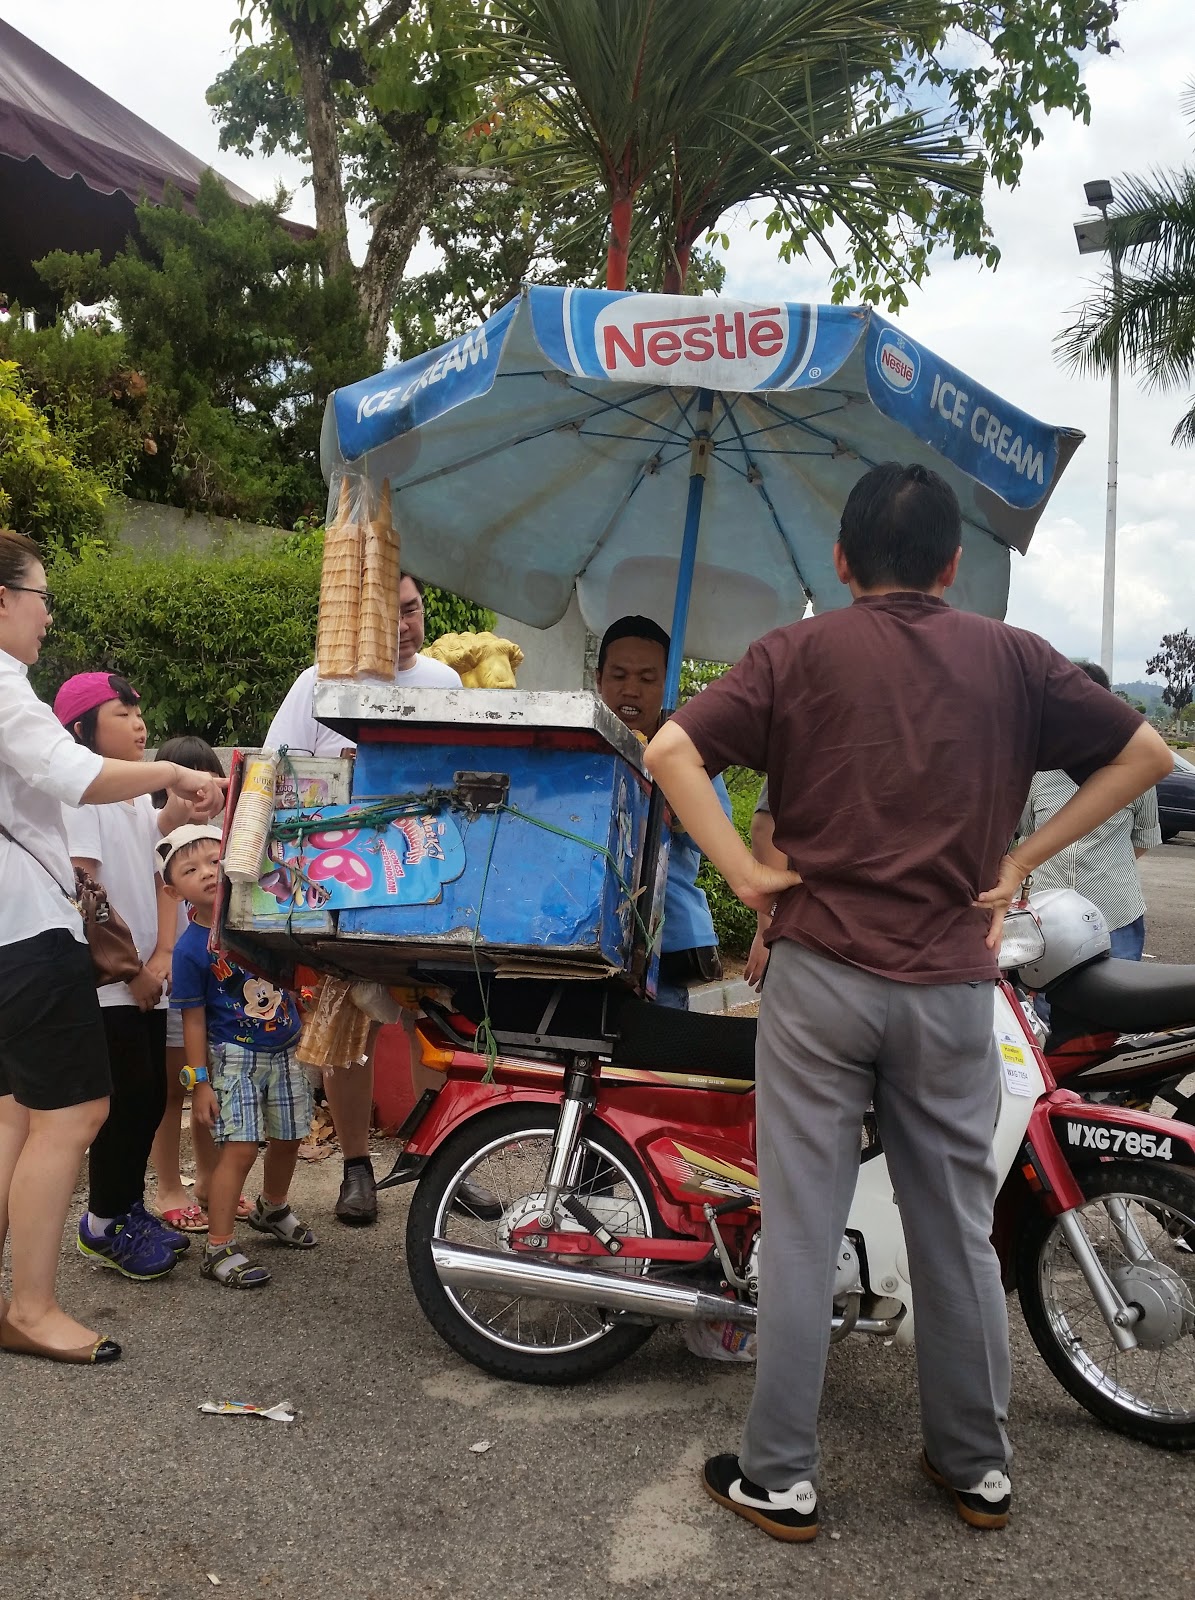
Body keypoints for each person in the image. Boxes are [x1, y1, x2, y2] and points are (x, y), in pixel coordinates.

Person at [643, 462, 1172, 1540]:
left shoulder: (794, 652)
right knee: (954, 1231)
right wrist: (1022, 856)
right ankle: (974, 1467)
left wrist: (748, 881)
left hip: (820, 977)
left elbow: (669, 749)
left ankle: (779, 1477)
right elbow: (1146, 754)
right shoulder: (1015, 657)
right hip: (946, 985)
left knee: (798, 1230)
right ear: (951, 565)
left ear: (841, 562)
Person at [0, 529, 225, 1363]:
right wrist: (171, 772)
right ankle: (29, 1306)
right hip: (25, 930)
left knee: (17, 1113)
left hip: (10, 932)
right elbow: (72, 776)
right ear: (2, 600)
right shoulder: (4, 684)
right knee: (75, 1112)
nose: (47, 616)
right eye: (41, 597)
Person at [265, 572, 460, 1224]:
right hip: (346, 882)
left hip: (429, 879)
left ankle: (441, 1159)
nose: (406, 626)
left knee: (436, 1022)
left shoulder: (446, 685)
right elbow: (279, 776)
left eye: (413, 609)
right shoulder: (319, 681)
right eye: (390, 616)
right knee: (350, 1027)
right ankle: (356, 1167)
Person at [58, 673, 197, 1280]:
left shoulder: (134, 794)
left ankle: (127, 1208)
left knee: (146, 1102)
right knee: (128, 1101)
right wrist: (133, 969)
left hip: (143, 974)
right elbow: (86, 892)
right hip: (109, 980)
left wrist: (179, 814)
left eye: (140, 712)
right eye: (122, 713)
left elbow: (154, 858)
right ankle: (103, 1223)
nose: (140, 724)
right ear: (83, 729)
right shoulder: (80, 794)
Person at [160, 824, 316, 1287]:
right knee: (241, 1148)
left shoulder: (264, 919)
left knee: (290, 1138)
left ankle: (272, 1206)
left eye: (214, 860)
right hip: (233, 1060)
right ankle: (219, 1247)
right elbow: (192, 1021)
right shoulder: (190, 950)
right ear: (173, 890)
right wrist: (200, 1083)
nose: (208, 873)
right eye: (191, 869)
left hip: (287, 1049)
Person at [593, 615, 731, 1009]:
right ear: (599, 677)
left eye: (647, 679)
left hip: (661, 944)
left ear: (668, 683)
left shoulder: (691, 756)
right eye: (619, 675)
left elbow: (711, 832)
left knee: (650, 1065)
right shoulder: (580, 747)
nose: (631, 689)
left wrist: (671, 780)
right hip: (586, 933)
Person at [1017, 661, 1162, 961]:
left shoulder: (1136, 776)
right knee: (1044, 1005)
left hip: (1116, 914)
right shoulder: (1037, 774)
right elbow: (1027, 832)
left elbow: (1144, 839)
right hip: (1046, 918)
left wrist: (1101, 869)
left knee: (1116, 1001)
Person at [149, 735, 228, 1231]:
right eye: (186, 785)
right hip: (176, 988)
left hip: (218, 989)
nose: (197, 798)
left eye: (205, 785)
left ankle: (209, 1179)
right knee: (174, 1089)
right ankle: (168, 1185)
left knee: (211, 1088)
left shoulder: (221, 846)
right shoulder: (158, 845)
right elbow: (162, 917)